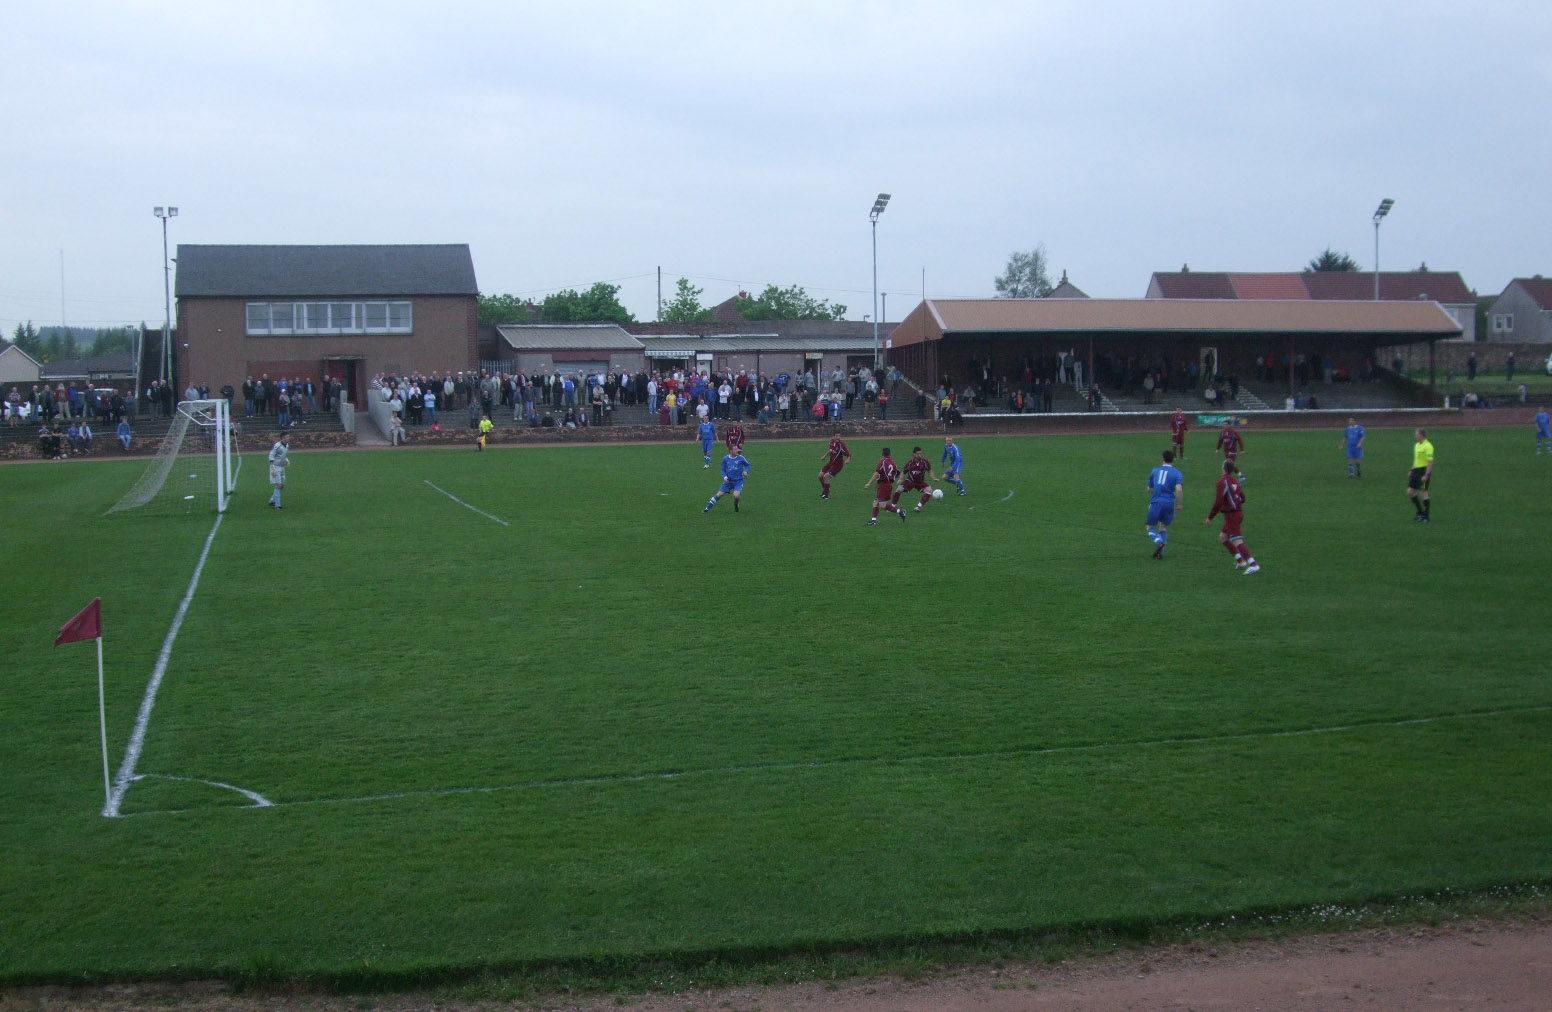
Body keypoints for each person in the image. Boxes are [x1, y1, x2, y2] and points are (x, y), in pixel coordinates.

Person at [1205, 459, 1260, 575]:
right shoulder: (1235, 481)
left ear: (1223, 468)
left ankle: (1253, 564)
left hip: (1232, 515)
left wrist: (1210, 517)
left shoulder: (1222, 482)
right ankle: (1240, 561)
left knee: (1237, 541)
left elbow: (1218, 502)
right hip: (1238, 513)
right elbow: (1243, 498)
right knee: (1223, 537)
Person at [1146, 449, 1184, 559]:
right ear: (1172, 460)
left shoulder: (1155, 471)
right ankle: (1160, 553)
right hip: (1169, 504)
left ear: (1163, 459)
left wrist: (1152, 489)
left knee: (1150, 527)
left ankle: (1159, 541)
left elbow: (1150, 488)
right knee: (1163, 527)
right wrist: (1180, 504)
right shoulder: (1177, 473)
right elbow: (1179, 489)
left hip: (1156, 502)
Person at [864, 447, 907, 526]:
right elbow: (898, 473)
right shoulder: (893, 463)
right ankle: (873, 521)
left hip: (884, 485)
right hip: (888, 485)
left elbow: (877, 473)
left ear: (882, 454)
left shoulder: (882, 462)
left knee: (882, 506)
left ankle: (900, 511)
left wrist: (869, 483)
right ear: (890, 454)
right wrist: (892, 478)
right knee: (875, 503)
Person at [704, 449, 752, 513]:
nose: (737, 450)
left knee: (736, 495)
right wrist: (725, 477)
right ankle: (706, 509)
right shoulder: (726, 458)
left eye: (737, 449)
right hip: (728, 482)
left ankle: (736, 504)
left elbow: (748, 465)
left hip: (738, 481)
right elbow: (723, 469)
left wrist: (746, 471)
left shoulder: (741, 458)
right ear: (731, 451)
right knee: (719, 495)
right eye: (735, 449)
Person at [897, 445, 936, 513]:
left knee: (929, 491)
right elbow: (904, 472)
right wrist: (900, 479)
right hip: (910, 481)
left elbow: (929, 471)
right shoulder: (910, 463)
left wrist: (934, 478)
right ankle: (893, 506)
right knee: (899, 489)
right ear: (914, 454)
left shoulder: (925, 462)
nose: (920, 455)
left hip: (920, 482)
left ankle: (918, 507)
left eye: (921, 453)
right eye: (918, 454)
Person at [1407, 427, 1434, 523]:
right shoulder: (1416, 445)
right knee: (1410, 491)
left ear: (1421, 435)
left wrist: (1426, 475)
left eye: (1416, 434)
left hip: (1424, 471)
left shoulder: (1428, 446)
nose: (1415, 436)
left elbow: (1430, 462)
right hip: (1416, 471)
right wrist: (1411, 470)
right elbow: (1416, 459)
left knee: (1423, 492)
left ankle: (1426, 516)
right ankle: (1420, 512)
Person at [818, 431, 850, 499]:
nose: (838, 437)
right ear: (833, 437)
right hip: (831, 463)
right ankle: (826, 489)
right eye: (837, 436)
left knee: (826, 476)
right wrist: (824, 456)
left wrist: (848, 460)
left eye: (839, 436)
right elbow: (830, 450)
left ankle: (826, 496)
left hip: (837, 465)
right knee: (820, 476)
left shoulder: (842, 445)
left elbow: (848, 455)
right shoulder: (831, 442)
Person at [267, 432, 291, 509]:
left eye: (288, 437)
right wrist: (272, 465)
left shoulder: (287, 445)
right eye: (287, 437)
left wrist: (285, 460)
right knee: (278, 485)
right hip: (276, 467)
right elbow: (271, 454)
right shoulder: (277, 446)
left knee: (282, 485)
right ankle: (277, 505)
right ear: (282, 438)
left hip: (282, 466)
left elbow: (282, 456)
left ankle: (271, 500)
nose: (288, 438)